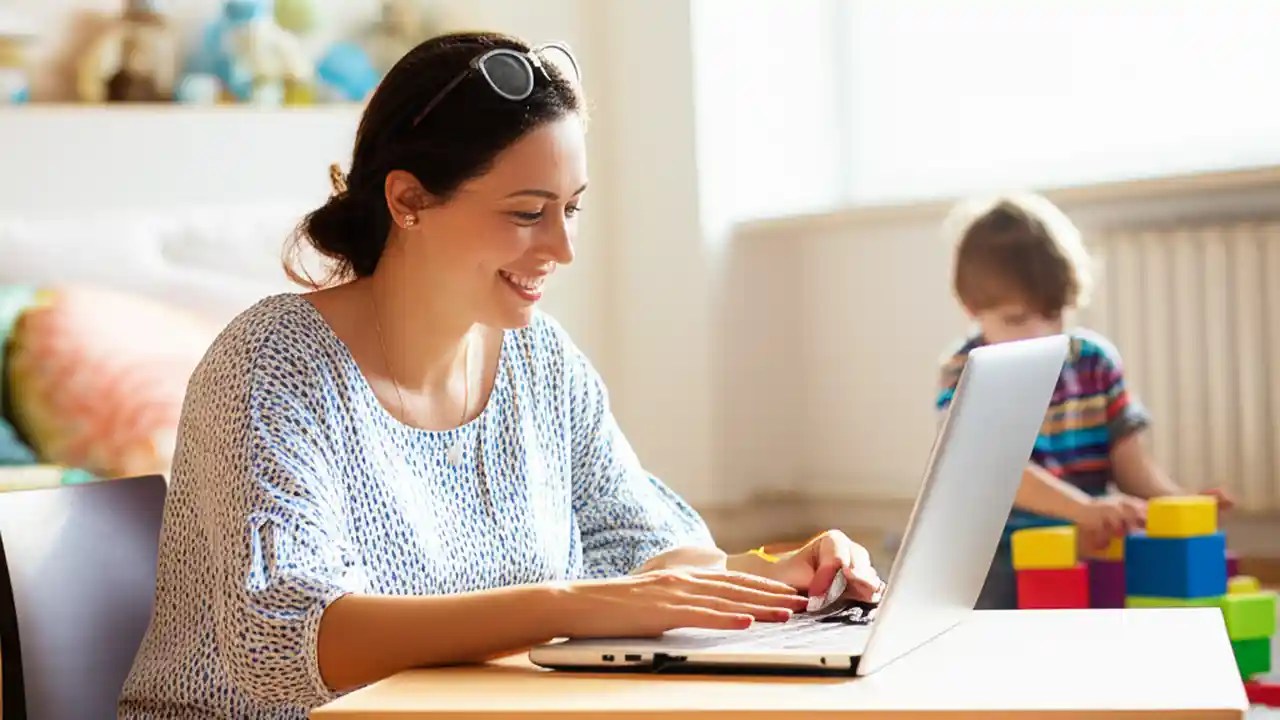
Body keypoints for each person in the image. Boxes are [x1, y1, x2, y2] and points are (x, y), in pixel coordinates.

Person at [118, 31, 884, 719]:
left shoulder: (539, 361)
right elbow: (287, 641)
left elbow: (644, 541)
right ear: (409, 200)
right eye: (527, 212)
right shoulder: (271, 364)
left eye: (572, 209)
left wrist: (774, 578)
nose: (563, 247)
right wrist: (568, 606)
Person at [936, 192, 1234, 610]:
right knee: (987, 608)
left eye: (1053, 313)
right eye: (1017, 319)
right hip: (1002, 554)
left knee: (1136, 589)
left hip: (1093, 542)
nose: (1040, 333)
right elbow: (1000, 472)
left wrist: (1181, 505)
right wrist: (1084, 508)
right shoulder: (969, 370)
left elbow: (1133, 468)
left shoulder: (1095, 362)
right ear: (971, 308)